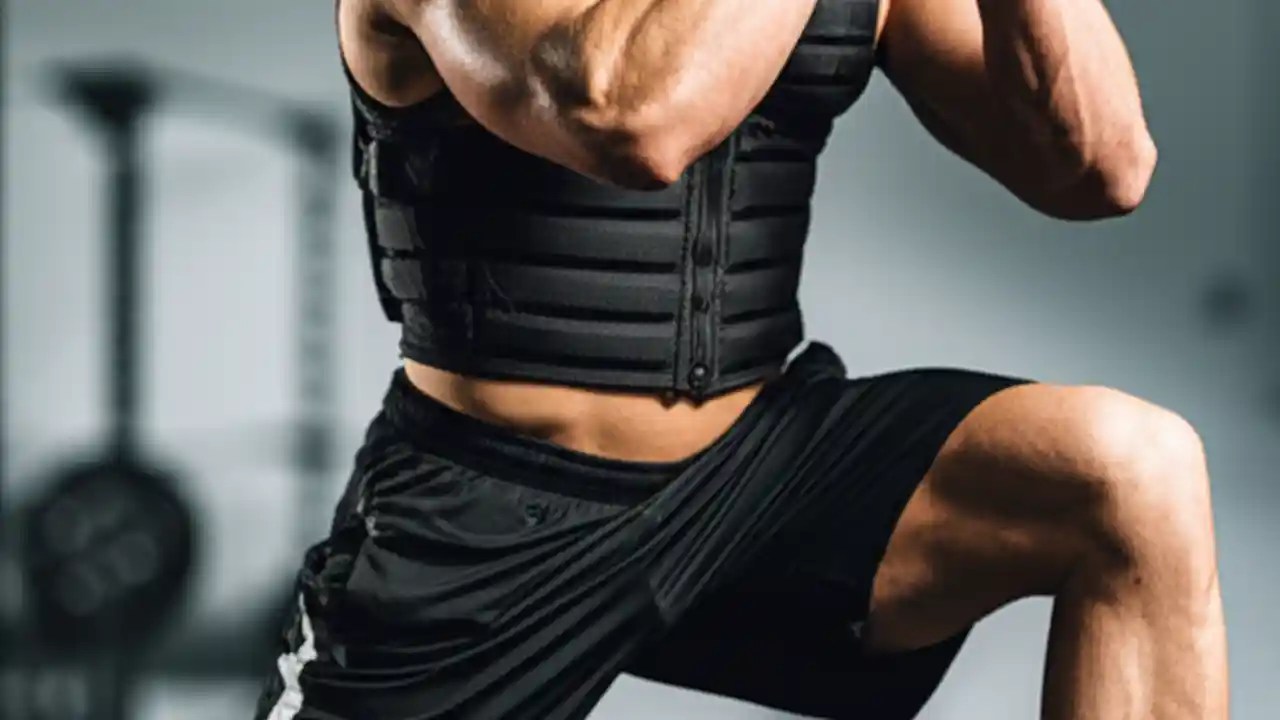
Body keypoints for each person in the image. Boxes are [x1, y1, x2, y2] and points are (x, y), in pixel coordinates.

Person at [257, 0, 1229, 718]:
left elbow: (1100, 168)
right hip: (489, 507)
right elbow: (630, 116)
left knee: (1128, 474)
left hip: (753, 481)